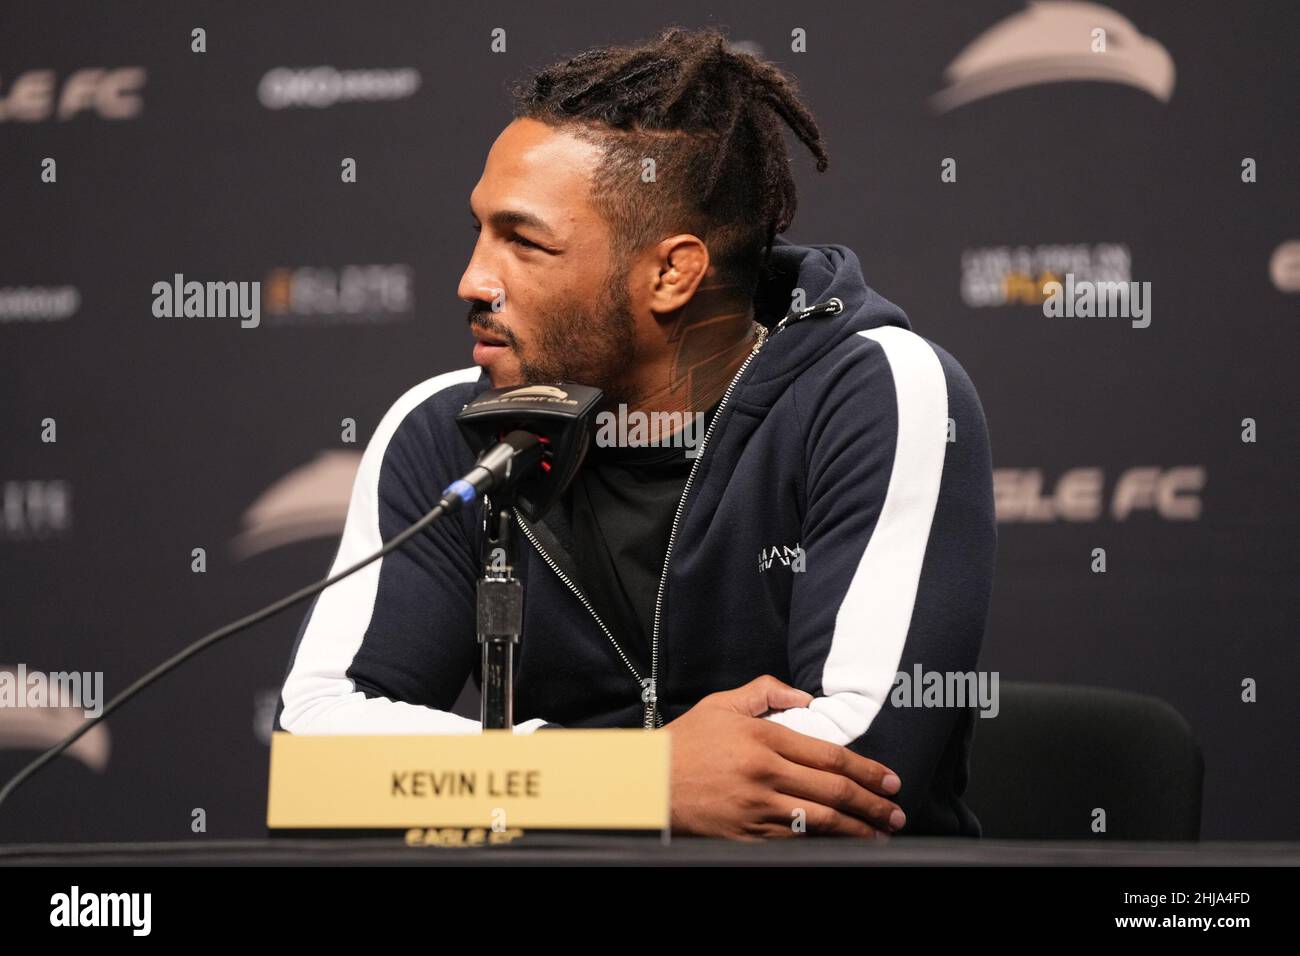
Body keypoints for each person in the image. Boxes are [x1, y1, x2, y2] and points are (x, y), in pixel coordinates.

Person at [275, 26, 996, 840]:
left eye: (524, 242)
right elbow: (314, 761)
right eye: (479, 232)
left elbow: (857, 764)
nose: (472, 280)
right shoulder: (447, 429)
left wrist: (511, 786)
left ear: (670, 273)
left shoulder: (874, 391)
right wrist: (641, 780)